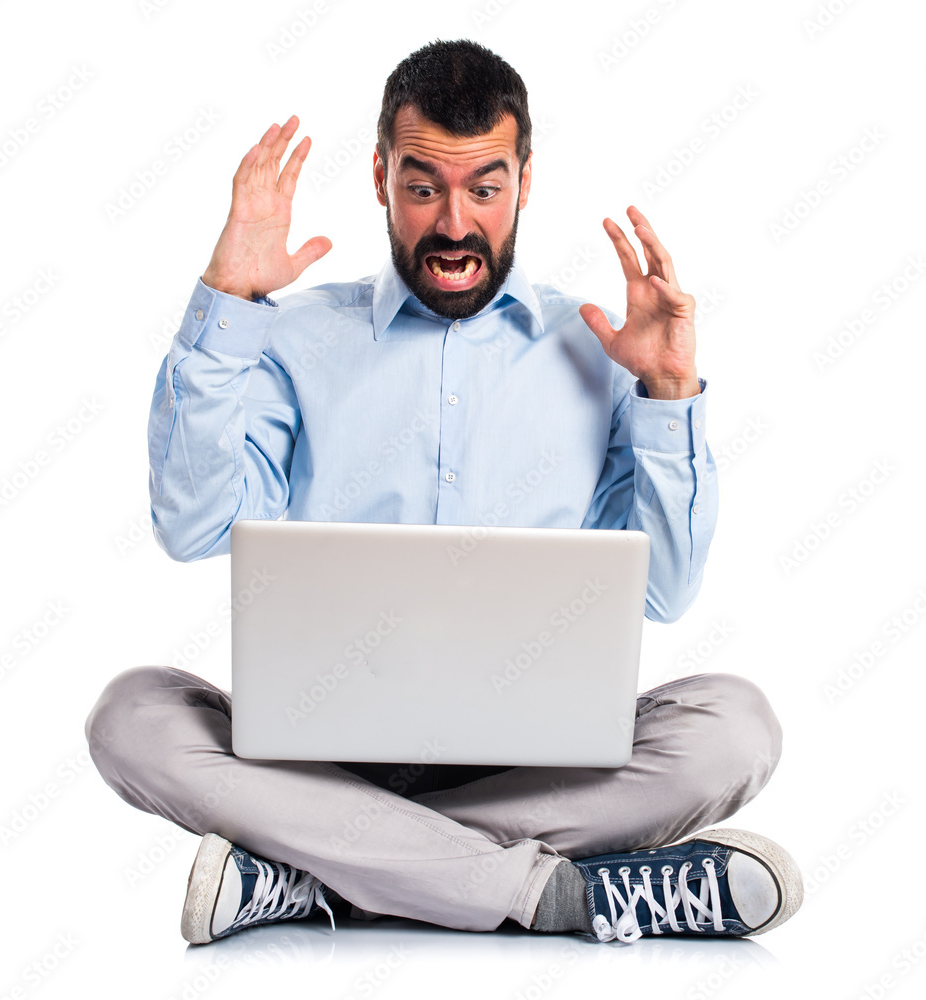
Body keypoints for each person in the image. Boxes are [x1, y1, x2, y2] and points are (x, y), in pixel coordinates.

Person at [86, 38, 802, 946]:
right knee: (132, 717)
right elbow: (191, 528)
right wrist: (226, 300)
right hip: (324, 760)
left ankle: (317, 879)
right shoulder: (291, 337)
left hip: (530, 764)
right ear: (381, 177)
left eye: (485, 190)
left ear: (525, 184)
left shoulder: (603, 351)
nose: (455, 224)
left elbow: (667, 592)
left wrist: (667, 396)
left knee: (734, 729)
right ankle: (557, 896)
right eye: (424, 188)